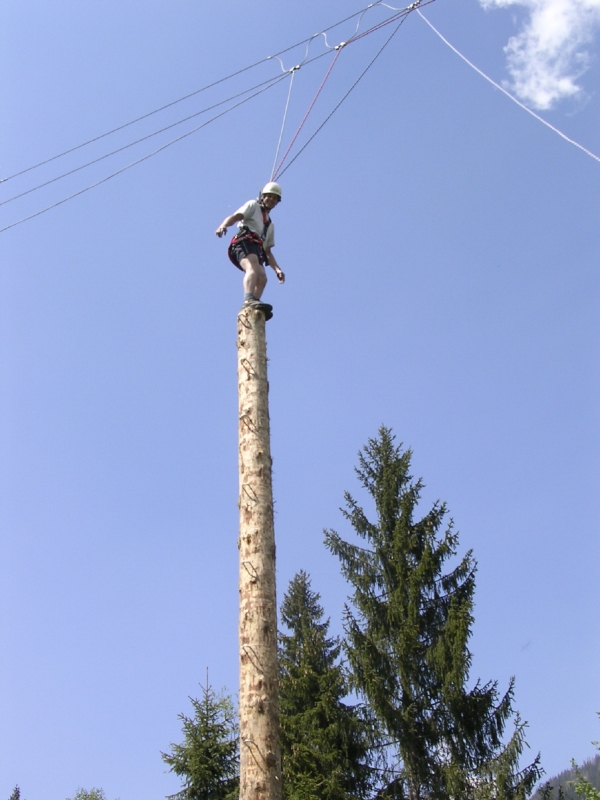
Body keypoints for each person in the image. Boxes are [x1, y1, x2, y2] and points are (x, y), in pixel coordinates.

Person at [215, 182, 285, 320]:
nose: (271, 199)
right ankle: (248, 299)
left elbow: (267, 251)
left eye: (274, 198)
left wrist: (277, 269)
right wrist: (223, 225)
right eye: (268, 196)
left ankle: (253, 305)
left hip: (256, 247)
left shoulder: (270, 225)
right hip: (243, 241)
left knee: (262, 277)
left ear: (277, 202)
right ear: (262, 197)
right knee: (252, 269)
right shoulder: (253, 205)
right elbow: (236, 217)